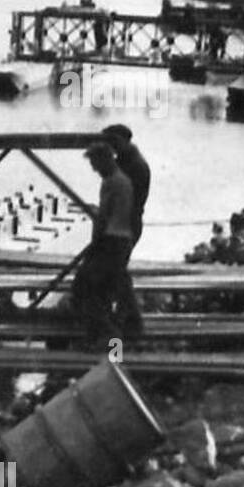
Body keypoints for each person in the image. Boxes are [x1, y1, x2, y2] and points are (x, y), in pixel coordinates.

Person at [72, 142, 139, 349]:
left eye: (95, 163)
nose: (94, 169)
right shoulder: (122, 181)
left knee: (85, 287)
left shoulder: (112, 182)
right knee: (106, 288)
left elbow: (105, 218)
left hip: (111, 241)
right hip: (120, 239)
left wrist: (95, 245)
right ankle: (113, 335)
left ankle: (110, 335)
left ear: (105, 160)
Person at [102, 124, 151, 337]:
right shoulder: (128, 161)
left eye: (113, 141)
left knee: (117, 271)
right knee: (116, 271)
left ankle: (129, 320)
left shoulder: (133, 166)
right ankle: (124, 318)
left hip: (126, 224)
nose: (111, 146)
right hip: (126, 222)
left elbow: (127, 200)